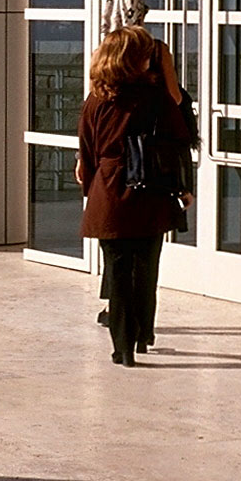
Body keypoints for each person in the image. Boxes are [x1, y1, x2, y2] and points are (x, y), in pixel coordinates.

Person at [76, 26, 193, 367]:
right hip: (151, 190)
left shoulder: (96, 100)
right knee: (147, 269)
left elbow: (88, 153)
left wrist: (93, 195)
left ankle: (122, 347)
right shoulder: (156, 97)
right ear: (133, 59)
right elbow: (178, 138)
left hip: (109, 190)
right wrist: (183, 187)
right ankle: (143, 335)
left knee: (118, 270)